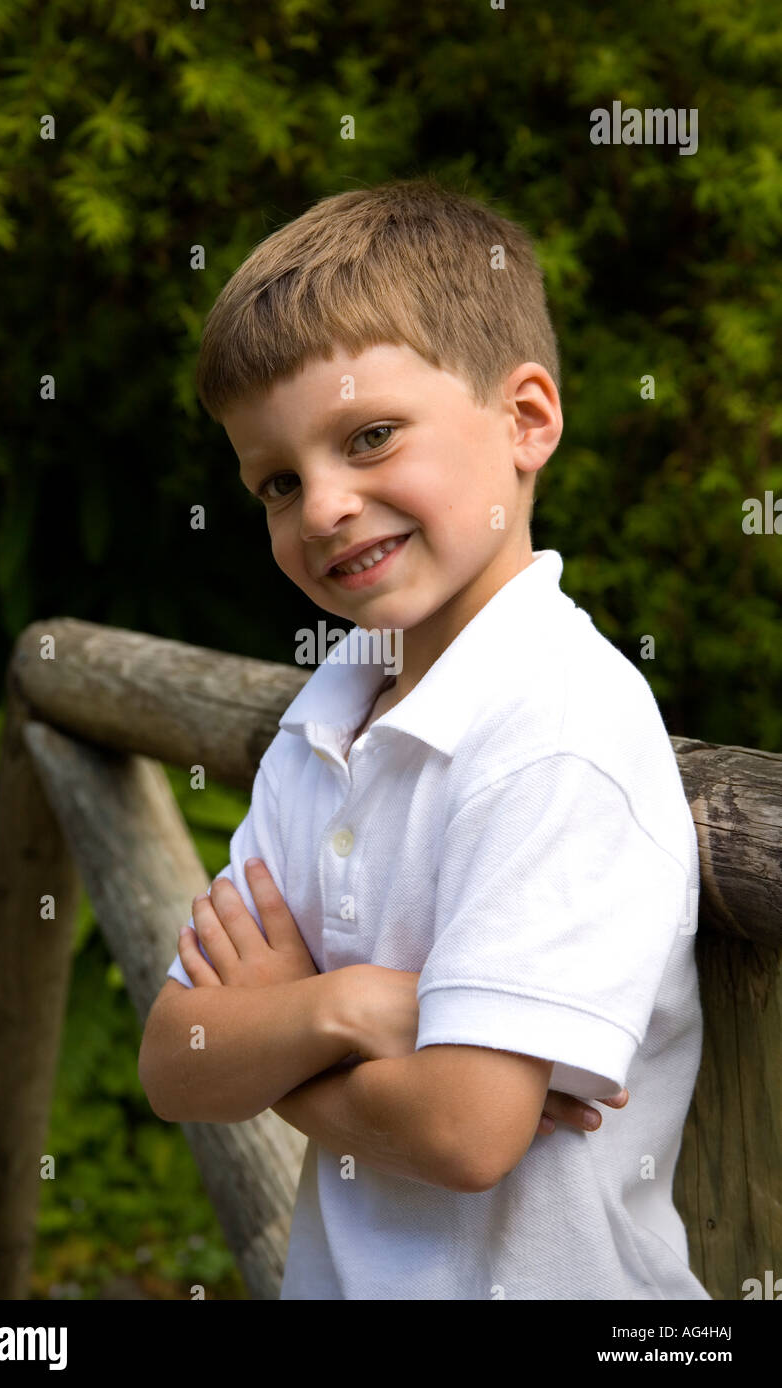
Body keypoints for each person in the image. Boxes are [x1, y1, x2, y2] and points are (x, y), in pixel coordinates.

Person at [138, 177, 711, 1300]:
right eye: (276, 482)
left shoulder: (557, 728)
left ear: (525, 421)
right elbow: (174, 1059)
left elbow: (462, 1132)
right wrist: (349, 1007)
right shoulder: (326, 723)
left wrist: (281, 1033)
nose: (322, 507)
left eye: (369, 436)